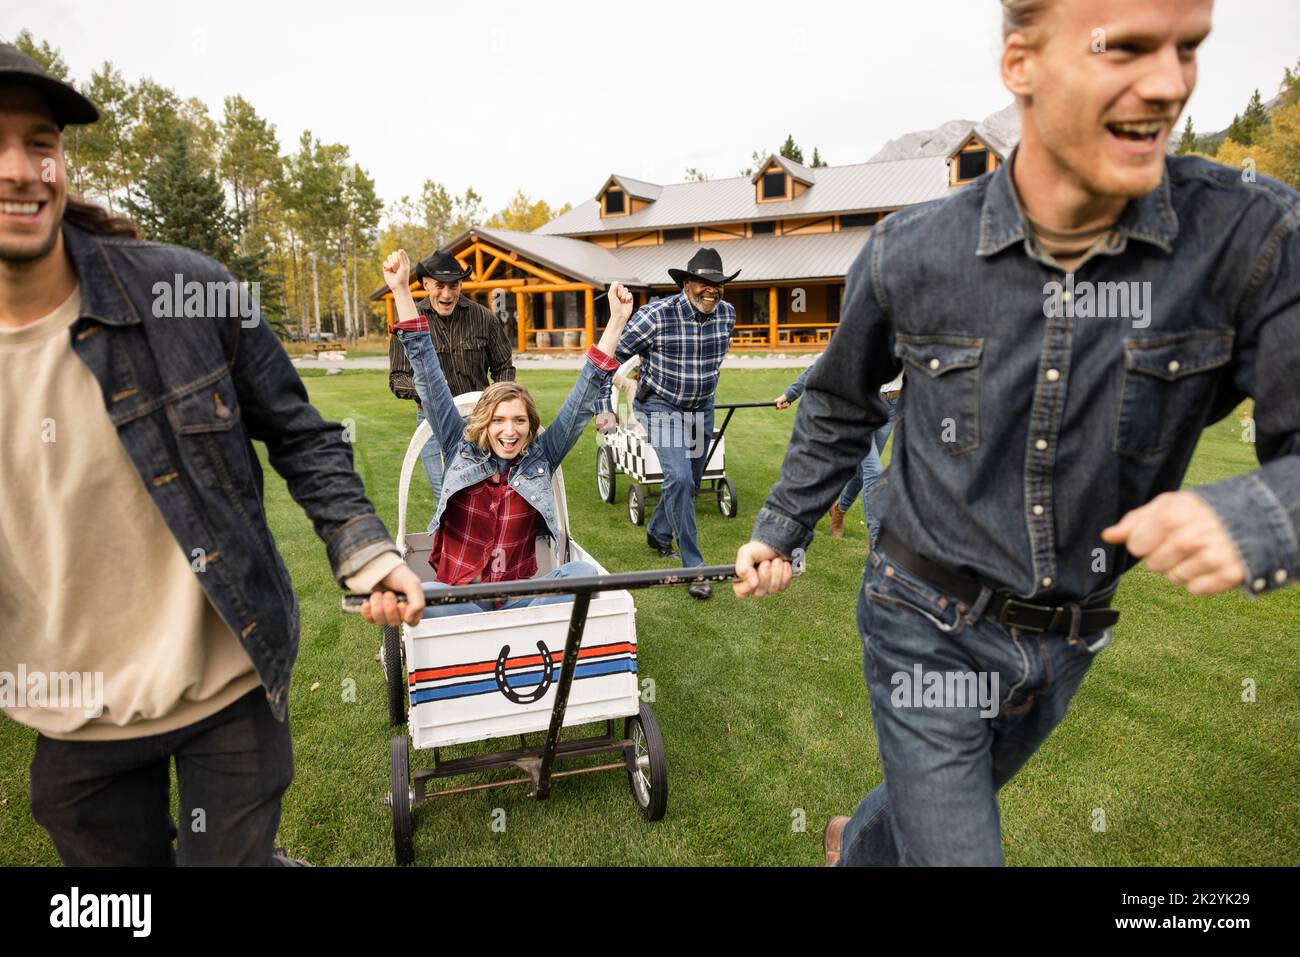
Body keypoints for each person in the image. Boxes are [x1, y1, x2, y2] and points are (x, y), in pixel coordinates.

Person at [734, 0, 1298, 866]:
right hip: (920, 617)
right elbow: (841, 401)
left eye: (1188, 48)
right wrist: (781, 527)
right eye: (1126, 48)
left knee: (924, 815)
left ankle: (856, 847)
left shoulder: (1252, 239)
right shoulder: (909, 251)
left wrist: (1263, 513)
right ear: (1020, 63)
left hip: (1070, 636)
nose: (1168, 82)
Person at [0, 45, 423, 866]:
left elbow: (299, 430)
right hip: (70, 716)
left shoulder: (186, 291)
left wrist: (365, 549)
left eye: (39, 143)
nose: (20, 169)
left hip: (228, 686)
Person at [382, 249, 633, 616]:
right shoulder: (459, 445)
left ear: (530, 426)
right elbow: (425, 368)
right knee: (419, 595)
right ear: (484, 422)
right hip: (461, 598)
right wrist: (401, 290)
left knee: (582, 573)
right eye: (499, 420)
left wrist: (617, 320)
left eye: (519, 421)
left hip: (519, 597)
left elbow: (584, 395)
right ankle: (491, 626)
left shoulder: (541, 457)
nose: (509, 431)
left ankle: (512, 623)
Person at [593, 248, 739, 600]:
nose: (712, 290)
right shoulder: (655, 316)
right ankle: (694, 569)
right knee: (680, 477)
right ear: (686, 284)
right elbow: (607, 360)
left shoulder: (727, 315)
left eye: (717, 284)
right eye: (703, 283)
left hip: (701, 408)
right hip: (660, 406)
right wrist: (603, 407)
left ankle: (658, 533)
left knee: (689, 482)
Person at [388, 250, 515, 509]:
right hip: (431, 423)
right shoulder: (409, 321)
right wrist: (433, 391)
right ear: (426, 285)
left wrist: (497, 404)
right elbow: (398, 379)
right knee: (445, 495)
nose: (447, 294)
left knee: (485, 490)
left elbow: (503, 367)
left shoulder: (484, 317)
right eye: (439, 286)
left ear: (461, 285)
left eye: (453, 285)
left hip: (478, 419)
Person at [777, 358, 902, 541]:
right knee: (874, 471)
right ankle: (877, 538)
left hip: (891, 405)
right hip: (861, 405)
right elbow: (826, 361)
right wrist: (791, 393)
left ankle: (839, 509)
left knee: (861, 473)